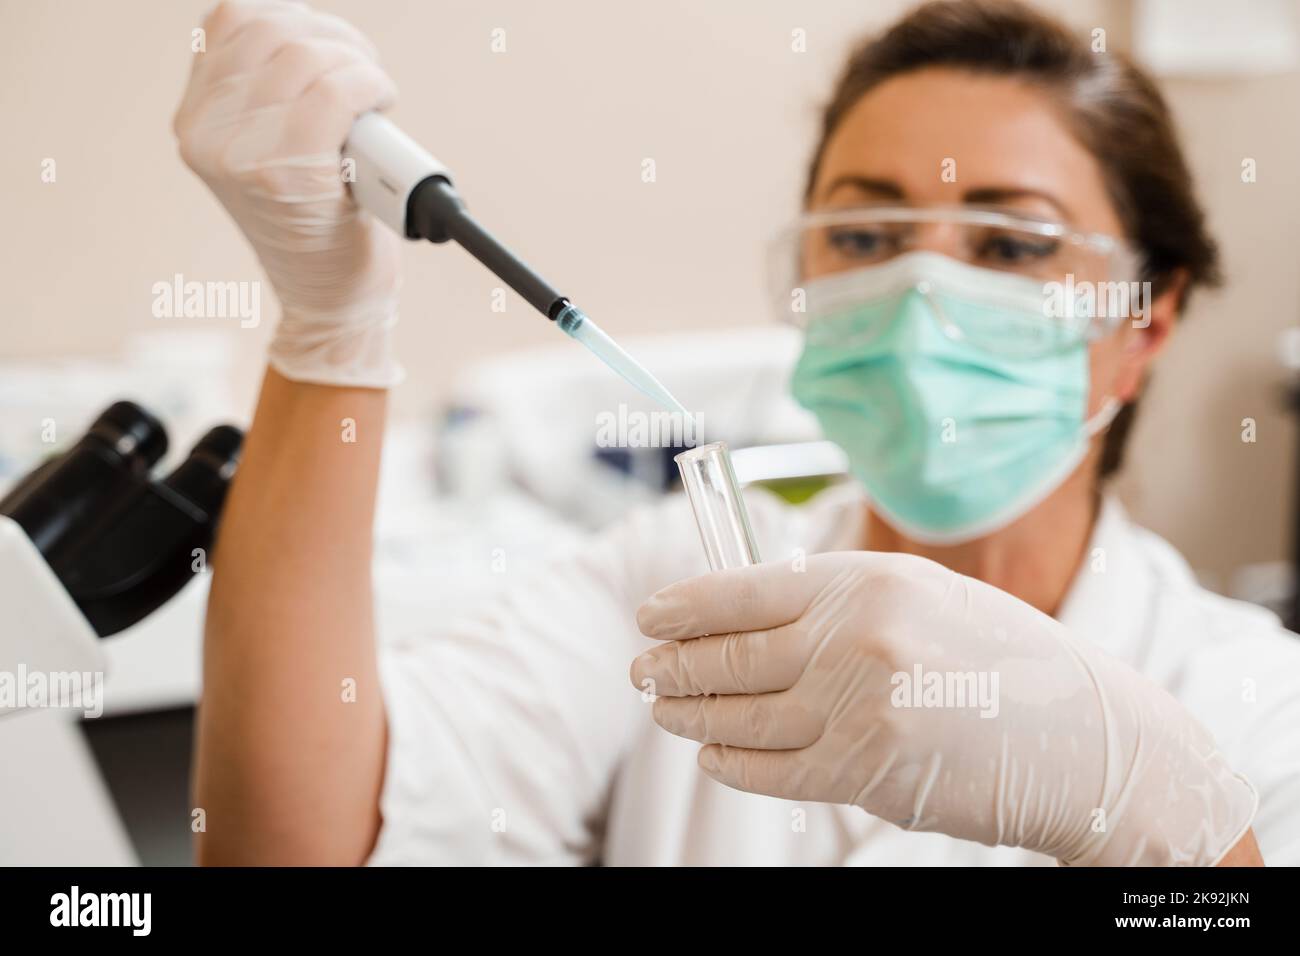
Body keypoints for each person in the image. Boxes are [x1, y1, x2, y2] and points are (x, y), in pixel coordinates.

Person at [179, 0, 1300, 865]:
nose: (917, 293)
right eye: (863, 234)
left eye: (1011, 246)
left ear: (1142, 323)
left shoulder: (1253, 698)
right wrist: (330, 328)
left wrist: (1158, 814)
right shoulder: (675, 586)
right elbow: (288, 845)